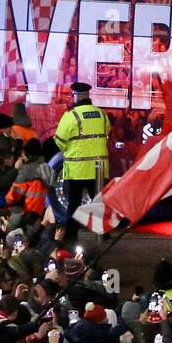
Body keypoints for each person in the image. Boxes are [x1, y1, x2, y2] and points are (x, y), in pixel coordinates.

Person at [52, 81, 111, 245]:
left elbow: (59, 141)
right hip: (99, 170)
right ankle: (103, 232)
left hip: (77, 170)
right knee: (99, 203)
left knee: (74, 204)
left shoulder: (71, 116)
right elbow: (106, 134)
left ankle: (71, 235)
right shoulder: (101, 114)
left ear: (76, 96)